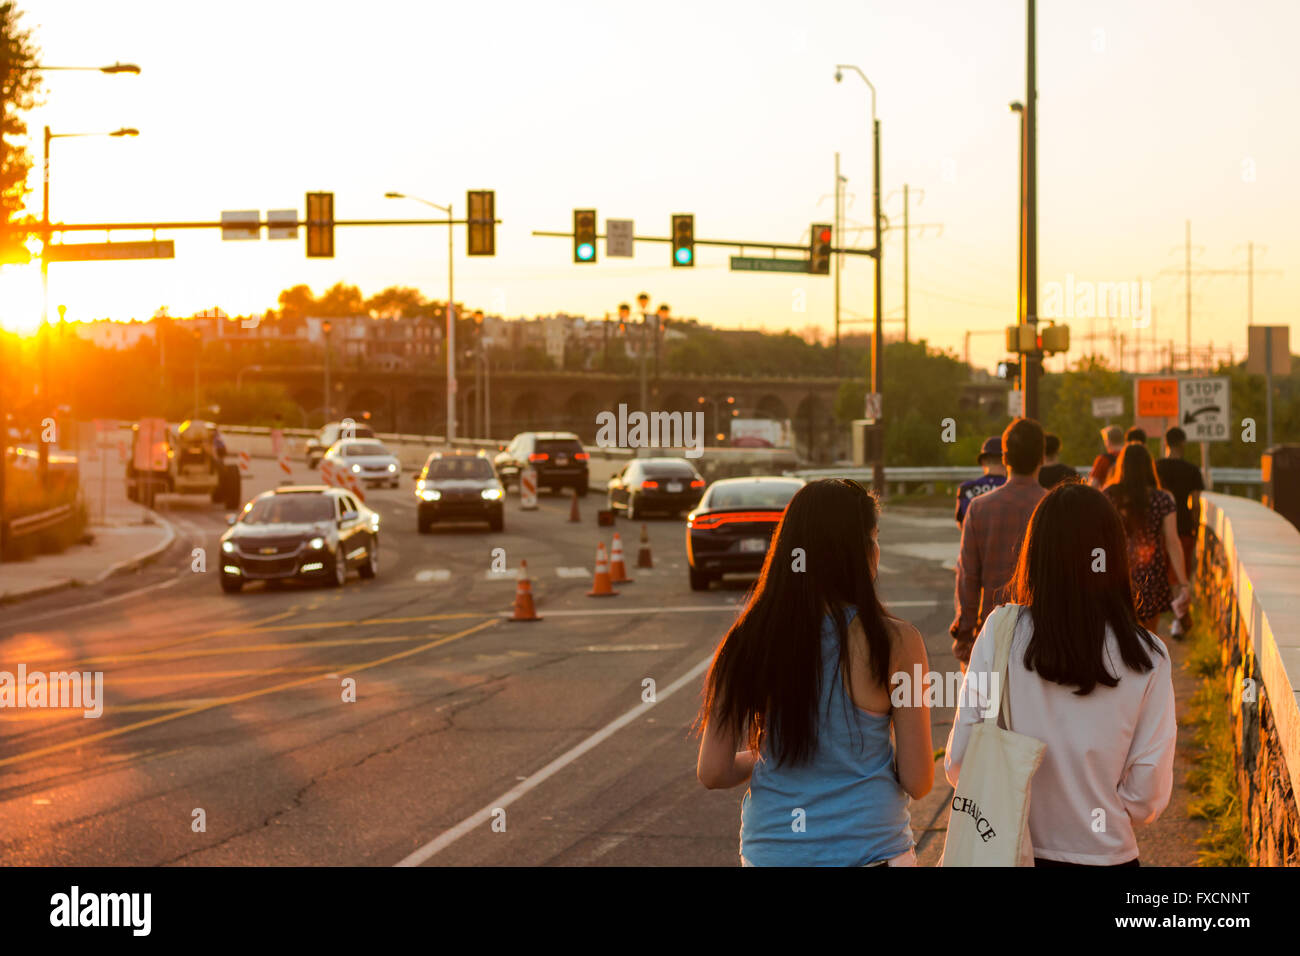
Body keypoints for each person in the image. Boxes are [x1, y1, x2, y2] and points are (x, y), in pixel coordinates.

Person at [697, 479, 932, 866]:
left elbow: (713, 771)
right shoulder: (897, 642)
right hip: (871, 851)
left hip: (772, 851)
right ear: (858, 550)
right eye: (873, 537)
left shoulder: (747, 639)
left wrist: (769, 755)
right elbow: (919, 780)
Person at [945, 482, 1176, 866]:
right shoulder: (1149, 656)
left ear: (1037, 555)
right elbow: (1146, 795)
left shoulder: (1002, 630)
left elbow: (960, 760)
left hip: (1008, 850)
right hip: (1108, 853)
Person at [950, 418, 1046, 667]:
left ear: (1004, 459)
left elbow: (968, 576)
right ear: (1042, 458)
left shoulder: (979, 508)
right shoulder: (1055, 506)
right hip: (1046, 633)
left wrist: (964, 632)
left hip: (993, 632)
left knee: (990, 704)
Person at [1103, 443, 1189, 632]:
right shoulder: (1162, 499)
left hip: (1117, 571)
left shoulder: (1109, 495)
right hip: (1152, 573)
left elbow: (1098, 538)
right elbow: (1173, 542)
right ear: (1148, 467)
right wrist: (1183, 583)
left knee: (1118, 633)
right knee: (1149, 635)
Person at [1155, 426, 1203, 586]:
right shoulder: (1192, 470)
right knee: (1179, 574)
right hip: (1183, 525)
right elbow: (1196, 504)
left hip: (1158, 527)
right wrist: (1195, 529)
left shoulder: (1155, 467)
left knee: (1159, 573)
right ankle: (1179, 607)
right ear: (1183, 443)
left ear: (1165, 443)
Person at [955, 436, 1006, 526]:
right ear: (1006, 460)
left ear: (983, 461)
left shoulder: (966, 488)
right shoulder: (1016, 488)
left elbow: (962, 524)